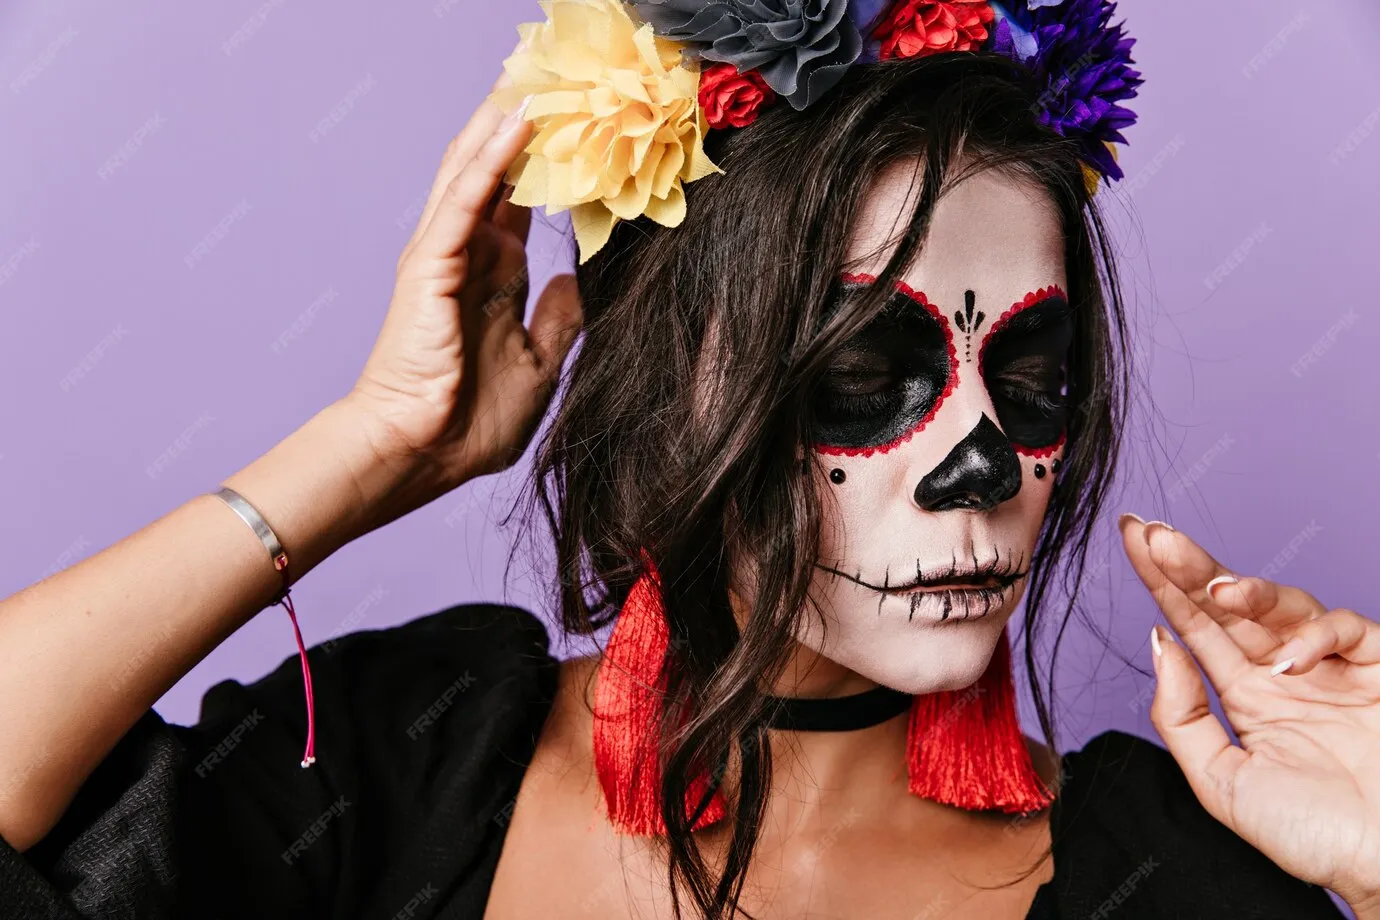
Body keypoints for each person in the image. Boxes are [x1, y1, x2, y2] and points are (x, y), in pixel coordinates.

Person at [2, 1, 1379, 918]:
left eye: (1031, 384)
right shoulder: (405, 763)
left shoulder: (1159, 878)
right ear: (669, 391)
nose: (983, 464)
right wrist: (366, 451)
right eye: (865, 372)